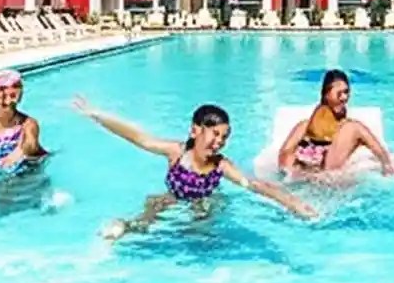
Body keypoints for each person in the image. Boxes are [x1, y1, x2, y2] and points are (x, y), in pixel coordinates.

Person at [73, 95, 317, 240]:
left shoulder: (220, 165)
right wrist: (97, 115)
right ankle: (121, 227)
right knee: (143, 224)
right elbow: (139, 138)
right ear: (195, 130)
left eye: (224, 137)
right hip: (171, 199)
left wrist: (291, 202)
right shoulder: (177, 153)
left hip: (204, 203)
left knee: (202, 232)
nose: (219, 142)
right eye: (215, 134)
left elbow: (254, 184)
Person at [277, 69, 394, 177]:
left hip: (314, 175)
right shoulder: (349, 128)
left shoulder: (311, 126)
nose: (344, 97)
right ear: (326, 94)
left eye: (346, 92)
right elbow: (284, 154)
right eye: (339, 93)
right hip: (324, 177)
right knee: (354, 127)